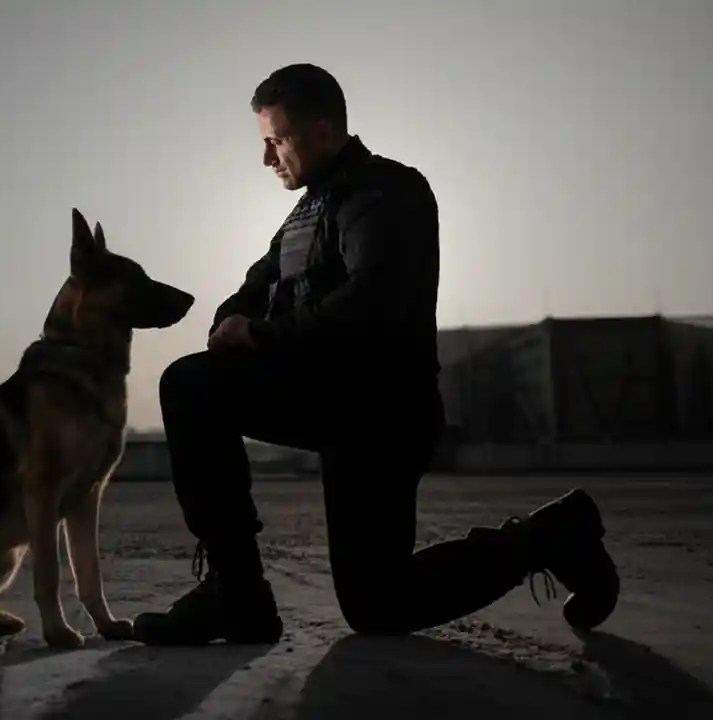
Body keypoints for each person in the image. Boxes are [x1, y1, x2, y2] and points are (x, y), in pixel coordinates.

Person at [131, 63, 619, 646]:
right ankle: (237, 595)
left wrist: (260, 337)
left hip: (382, 412)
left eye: (275, 140)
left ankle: (551, 536)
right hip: (325, 399)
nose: (267, 158)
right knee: (192, 385)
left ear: (322, 131)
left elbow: (372, 304)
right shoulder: (303, 214)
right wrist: (232, 325)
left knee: (378, 605)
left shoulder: (389, 192)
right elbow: (252, 289)